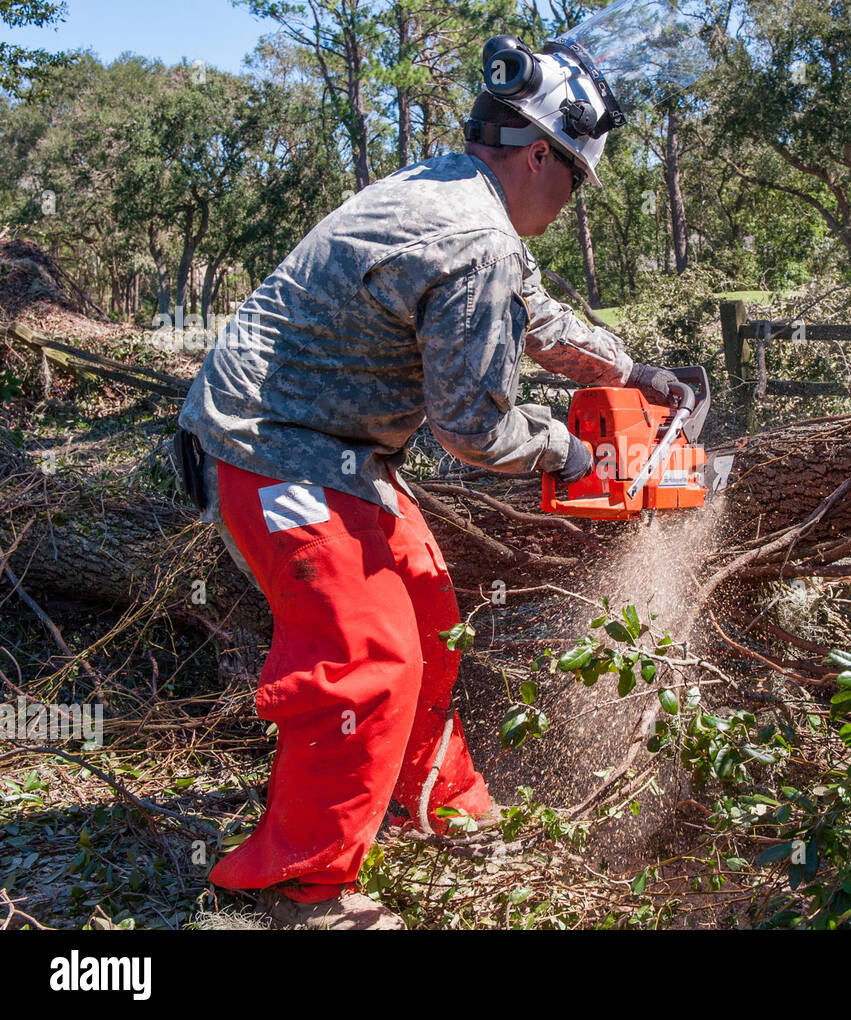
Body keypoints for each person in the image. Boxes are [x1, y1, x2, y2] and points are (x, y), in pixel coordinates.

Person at [173, 30, 682, 929]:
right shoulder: (472, 233)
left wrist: (627, 373)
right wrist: (572, 454)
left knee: (432, 619)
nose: (569, 200)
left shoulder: (453, 186)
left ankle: (435, 800)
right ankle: (299, 887)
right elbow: (474, 430)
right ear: (538, 155)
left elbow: (538, 315)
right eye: (573, 179)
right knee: (367, 658)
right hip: (269, 448)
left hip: (342, 451)